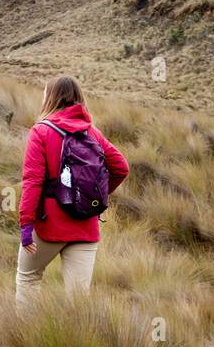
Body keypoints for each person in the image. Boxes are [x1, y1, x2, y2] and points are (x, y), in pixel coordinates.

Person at [16, 75, 129, 308]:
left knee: (28, 278)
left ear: (51, 98)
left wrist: (26, 224)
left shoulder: (41, 131)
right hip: (85, 226)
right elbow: (121, 167)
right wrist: (96, 197)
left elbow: (32, 181)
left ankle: (25, 340)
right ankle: (75, 343)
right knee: (78, 302)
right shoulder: (92, 133)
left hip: (49, 225)